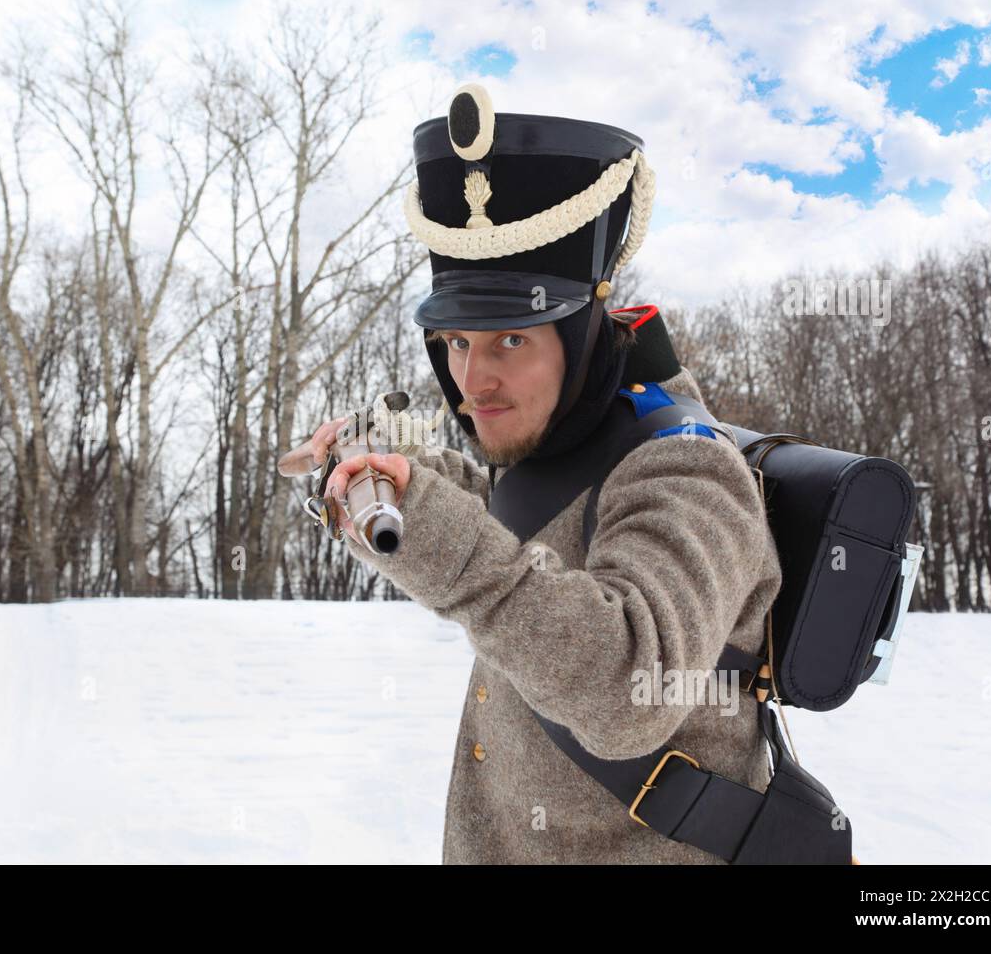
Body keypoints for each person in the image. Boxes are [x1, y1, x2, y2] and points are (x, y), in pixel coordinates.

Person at [307, 84, 782, 863]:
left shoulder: (689, 471)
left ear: (584, 328)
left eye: (510, 343)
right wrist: (381, 468)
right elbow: (503, 529)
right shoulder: (561, 441)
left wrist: (426, 524)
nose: (472, 380)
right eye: (457, 341)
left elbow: (631, 681)